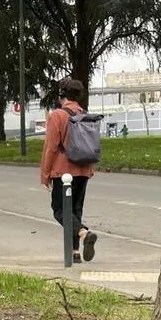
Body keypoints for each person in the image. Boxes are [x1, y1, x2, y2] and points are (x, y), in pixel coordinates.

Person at [39, 78, 98, 262]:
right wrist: (91, 167)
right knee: (75, 209)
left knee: (60, 209)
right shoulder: (84, 114)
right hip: (84, 169)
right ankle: (75, 252)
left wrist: (45, 174)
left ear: (62, 94)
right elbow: (92, 143)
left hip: (63, 171)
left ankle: (83, 232)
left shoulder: (57, 115)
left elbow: (51, 147)